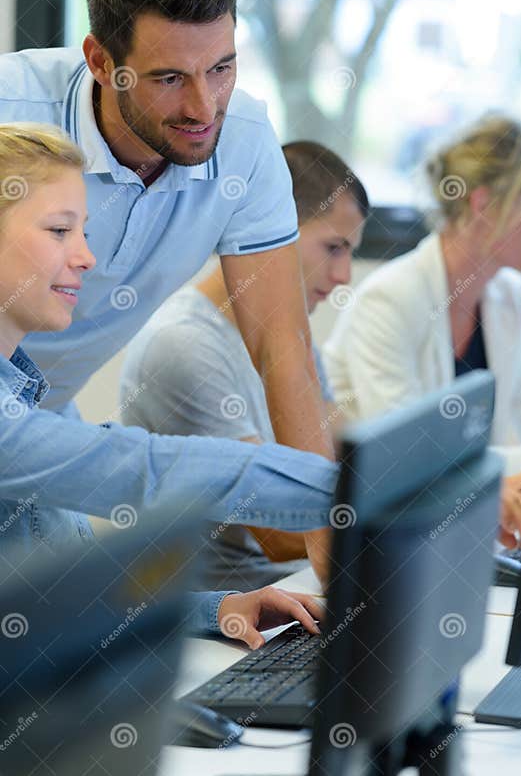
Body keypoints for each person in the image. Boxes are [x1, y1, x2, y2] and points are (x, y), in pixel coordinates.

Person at [0, 0, 334, 578]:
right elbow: (143, 471)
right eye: (169, 77)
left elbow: (282, 346)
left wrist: (332, 542)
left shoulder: (242, 141)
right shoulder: (13, 112)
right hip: (16, 430)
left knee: (77, 604)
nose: (203, 104)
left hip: (38, 416)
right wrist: (333, 493)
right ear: (100, 61)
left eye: (222, 67)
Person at [0, 122, 335, 647]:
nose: (87, 256)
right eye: (60, 230)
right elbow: (145, 469)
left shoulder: (38, 392)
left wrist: (217, 608)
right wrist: (349, 493)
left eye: (84, 231)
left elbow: (74, 593)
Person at [119, 142, 369, 590]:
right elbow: (281, 531)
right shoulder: (185, 344)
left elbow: (347, 456)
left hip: (287, 589)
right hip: (219, 623)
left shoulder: (293, 335)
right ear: (276, 230)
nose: (345, 275)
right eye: (334, 247)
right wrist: (404, 511)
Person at [324, 115, 521, 548]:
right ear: (483, 205)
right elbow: (407, 461)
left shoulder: (510, 300)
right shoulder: (390, 300)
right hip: (378, 546)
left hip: (460, 541)